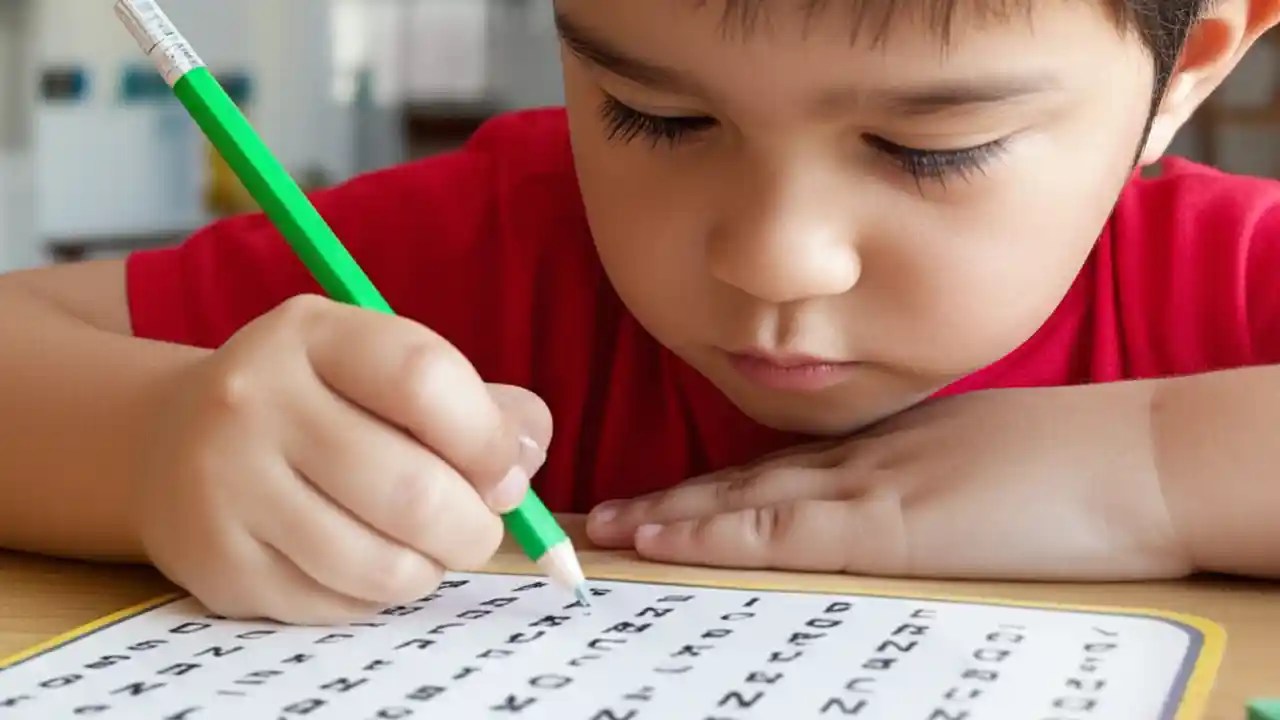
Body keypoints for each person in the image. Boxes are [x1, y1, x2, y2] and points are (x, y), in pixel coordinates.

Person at [0, 0, 1277, 625]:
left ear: (1192, 63)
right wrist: (155, 441)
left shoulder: (1220, 278)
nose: (775, 260)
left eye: (928, 146)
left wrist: (1157, 468)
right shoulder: (492, 250)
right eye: (653, 117)